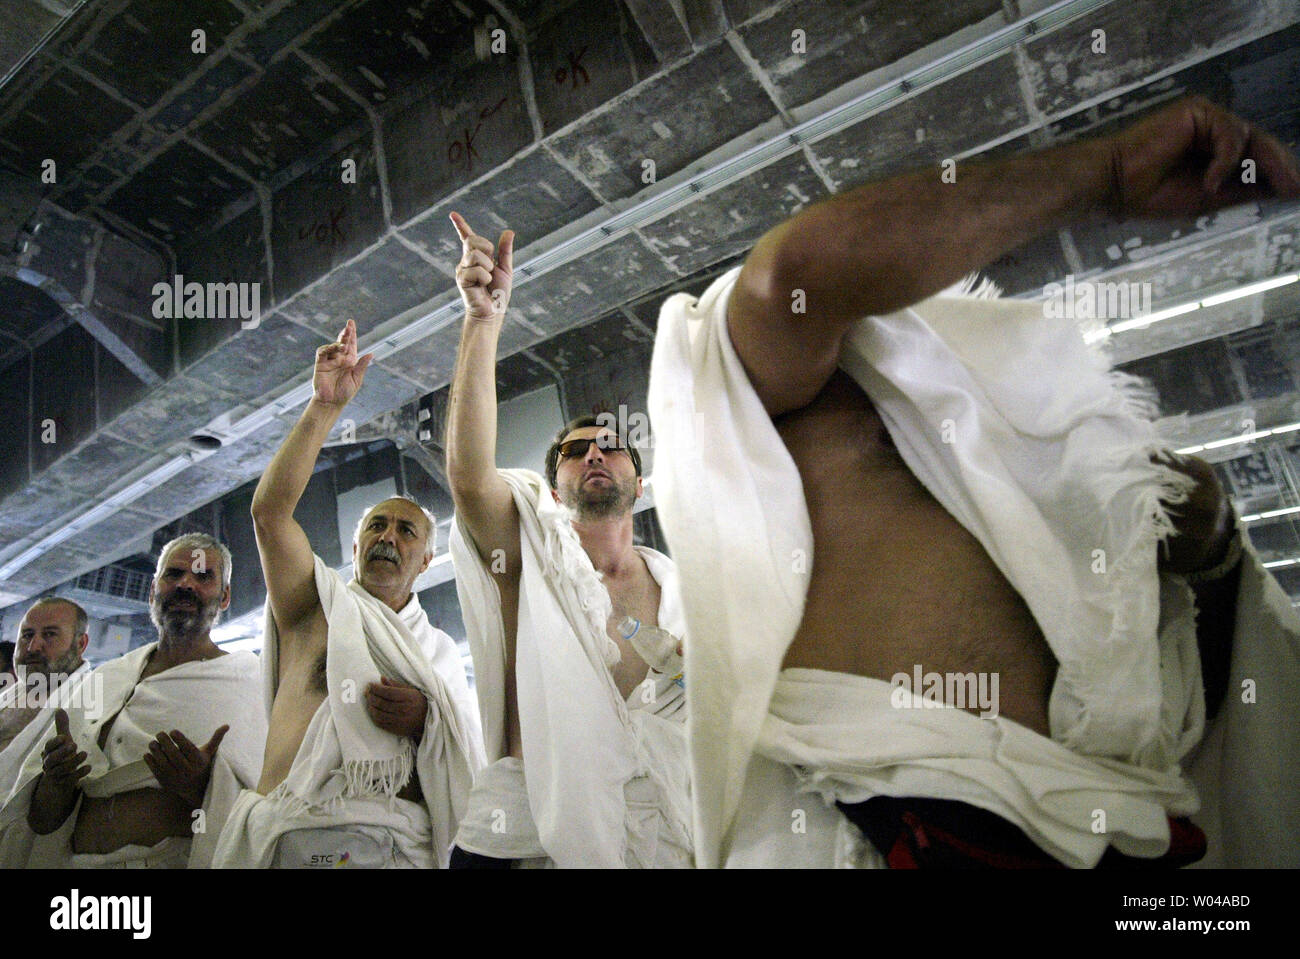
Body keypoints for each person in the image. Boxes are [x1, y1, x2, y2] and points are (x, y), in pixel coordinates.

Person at [646, 96, 1300, 867]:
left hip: (1118, 822)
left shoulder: (975, 390)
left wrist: (1212, 545)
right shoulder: (738, 357)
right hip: (938, 824)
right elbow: (800, 272)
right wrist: (1112, 171)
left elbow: (1177, 617)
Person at [444, 212, 692, 867]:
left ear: (640, 482)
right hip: (524, 829)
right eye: (575, 451)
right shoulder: (528, 554)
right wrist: (482, 321)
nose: (594, 455)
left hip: (659, 828)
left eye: (610, 446)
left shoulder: (682, 591)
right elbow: (469, 479)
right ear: (553, 490)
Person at [212, 319, 483, 869]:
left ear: (427, 561)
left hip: (394, 845)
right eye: (377, 527)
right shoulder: (312, 605)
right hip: (290, 833)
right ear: (355, 547)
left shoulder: (440, 654)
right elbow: (268, 514)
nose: (388, 536)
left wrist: (426, 721)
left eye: (406, 532)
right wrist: (323, 408)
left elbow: (463, 760)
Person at [0, 534, 265, 868]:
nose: (186, 584)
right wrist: (56, 782)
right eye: (174, 574)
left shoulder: (250, 682)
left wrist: (199, 789)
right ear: (153, 590)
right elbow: (42, 822)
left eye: (203, 576)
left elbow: (265, 811)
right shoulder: (107, 679)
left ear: (224, 597)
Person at [0, 598, 92, 757]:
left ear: (80, 644)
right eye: (27, 635)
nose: (33, 647)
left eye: (50, 634)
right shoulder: (15, 693)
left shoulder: (94, 703)